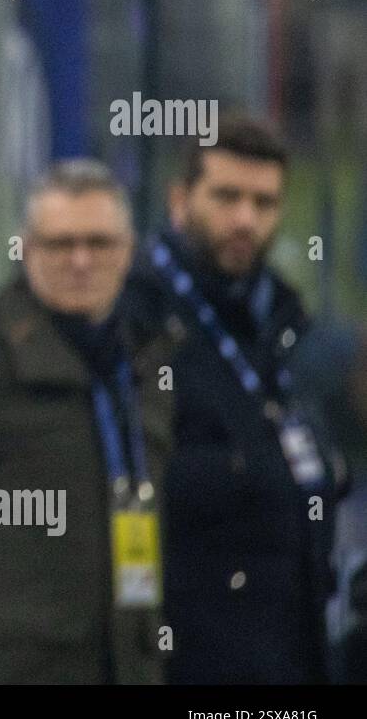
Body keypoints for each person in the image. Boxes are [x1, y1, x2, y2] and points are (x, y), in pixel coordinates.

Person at [0, 160, 175, 683]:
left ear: (127, 251)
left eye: (99, 243)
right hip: (1, 667)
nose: (81, 261)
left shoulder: (146, 364)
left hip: (122, 663)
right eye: (60, 244)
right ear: (26, 250)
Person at [123, 115, 343, 683]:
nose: (246, 219)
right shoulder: (134, 315)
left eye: (265, 202)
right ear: (180, 198)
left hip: (290, 649)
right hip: (184, 655)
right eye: (227, 196)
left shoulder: (284, 321)